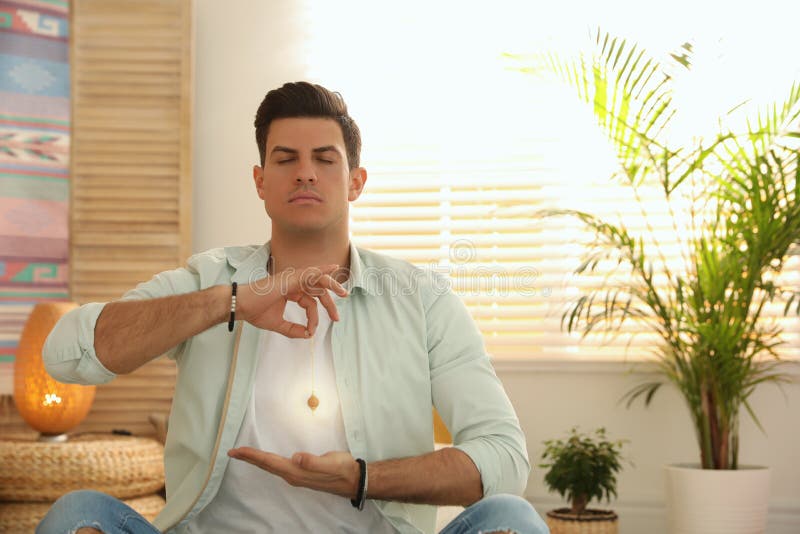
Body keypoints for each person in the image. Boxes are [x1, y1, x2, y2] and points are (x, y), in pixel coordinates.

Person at [38, 82, 549, 534]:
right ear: (260, 181)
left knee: (514, 520)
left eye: (325, 159)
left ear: (356, 181)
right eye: (286, 159)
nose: (305, 173)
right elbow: (65, 355)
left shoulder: (423, 300)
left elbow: (504, 459)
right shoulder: (209, 279)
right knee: (77, 514)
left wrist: (362, 477)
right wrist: (233, 301)